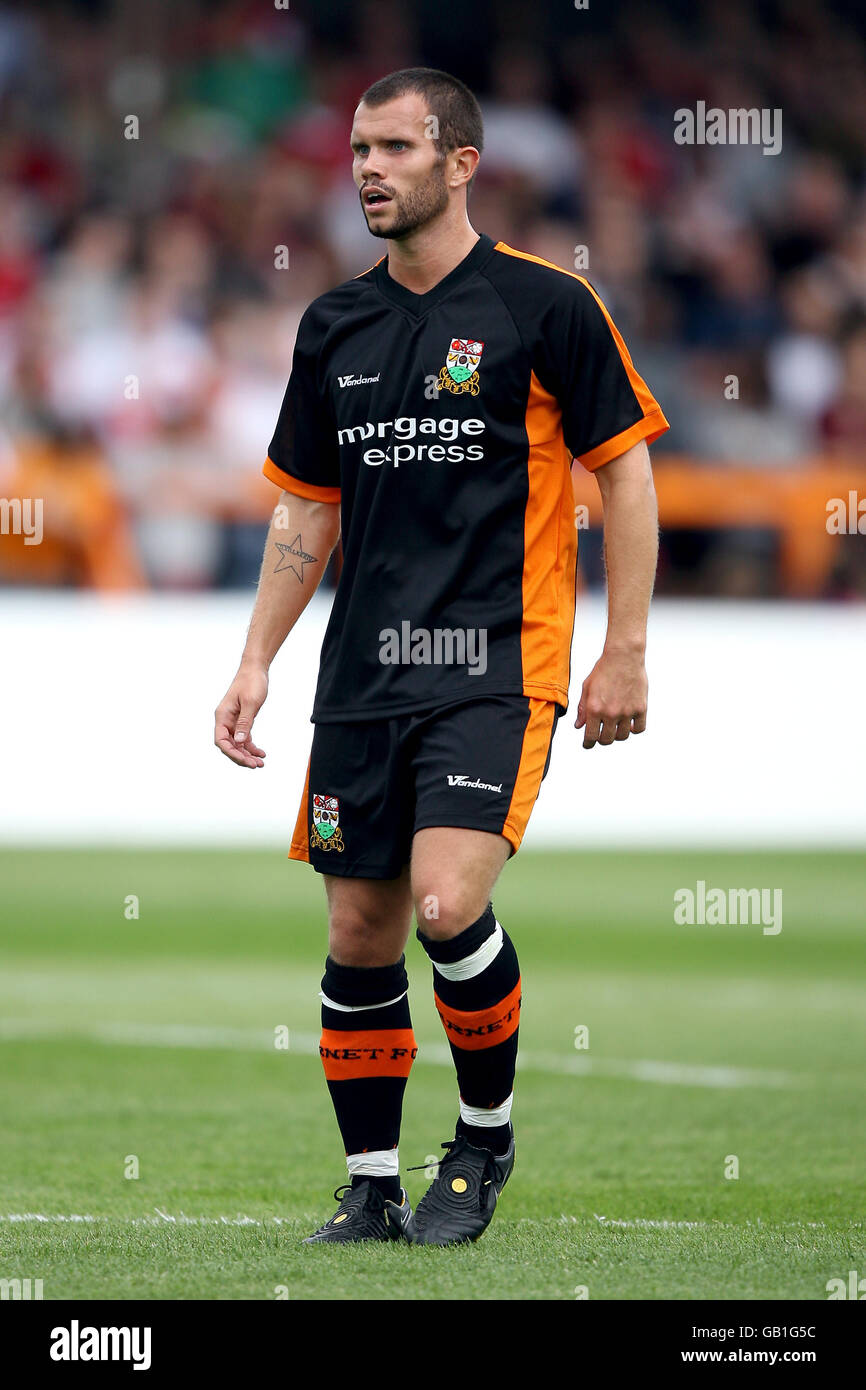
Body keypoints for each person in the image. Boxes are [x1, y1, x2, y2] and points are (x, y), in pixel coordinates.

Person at [214, 68, 668, 1247]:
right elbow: (304, 511)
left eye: (395, 148)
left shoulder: (544, 306)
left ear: (459, 163)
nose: (367, 168)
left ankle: (479, 1144)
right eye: (359, 148)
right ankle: (369, 1185)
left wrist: (623, 649)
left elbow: (622, 466)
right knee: (356, 936)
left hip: (492, 662)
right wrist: (256, 657)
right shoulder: (333, 325)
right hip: (358, 677)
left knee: (441, 902)